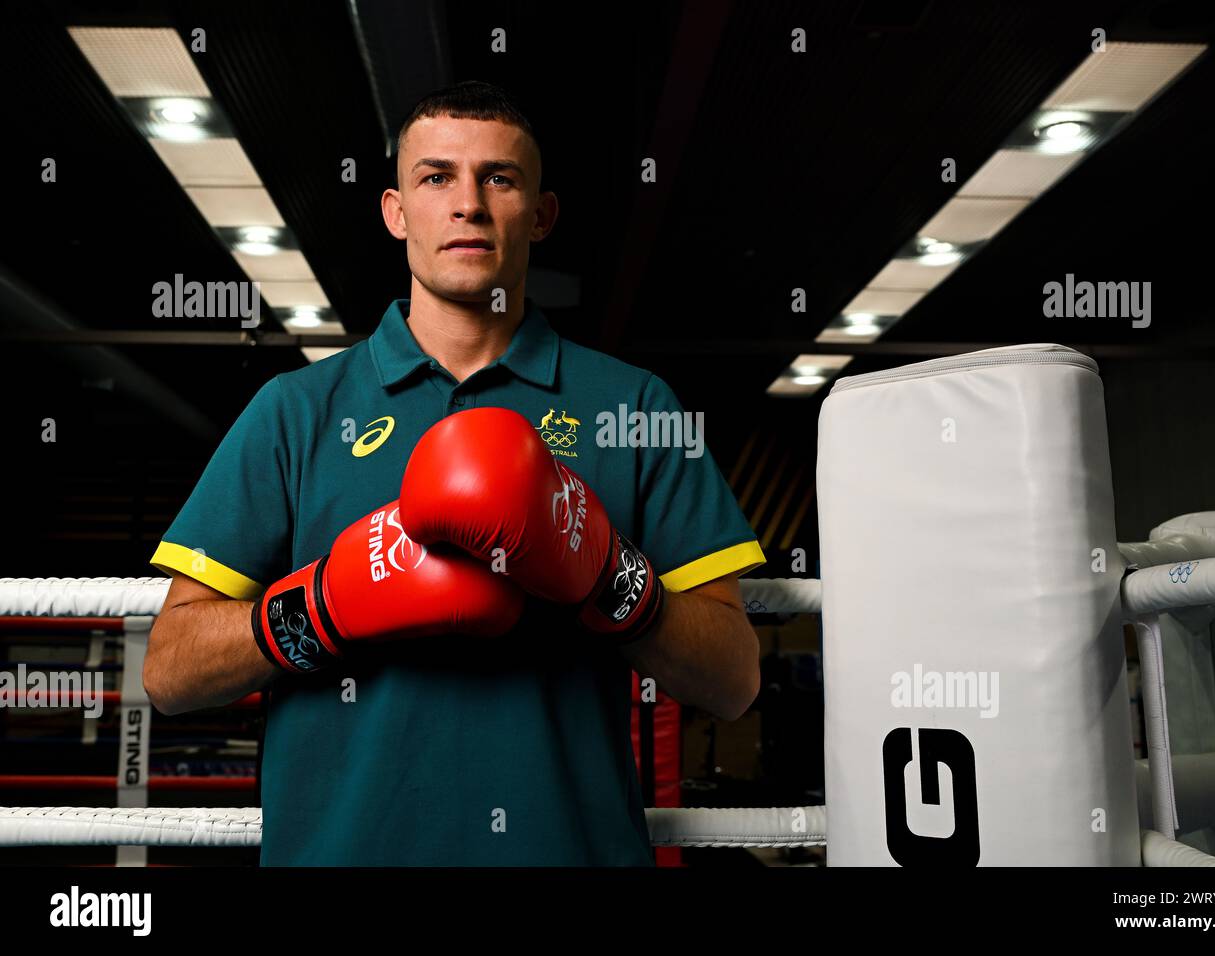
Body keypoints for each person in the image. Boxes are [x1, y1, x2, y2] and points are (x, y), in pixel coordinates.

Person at [144, 80, 765, 865]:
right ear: (396, 212)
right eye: (436, 177)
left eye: (498, 178)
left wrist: (609, 578)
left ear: (540, 216)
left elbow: (734, 681)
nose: (467, 203)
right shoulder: (295, 410)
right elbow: (169, 670)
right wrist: (326, 604)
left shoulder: (634, 404)